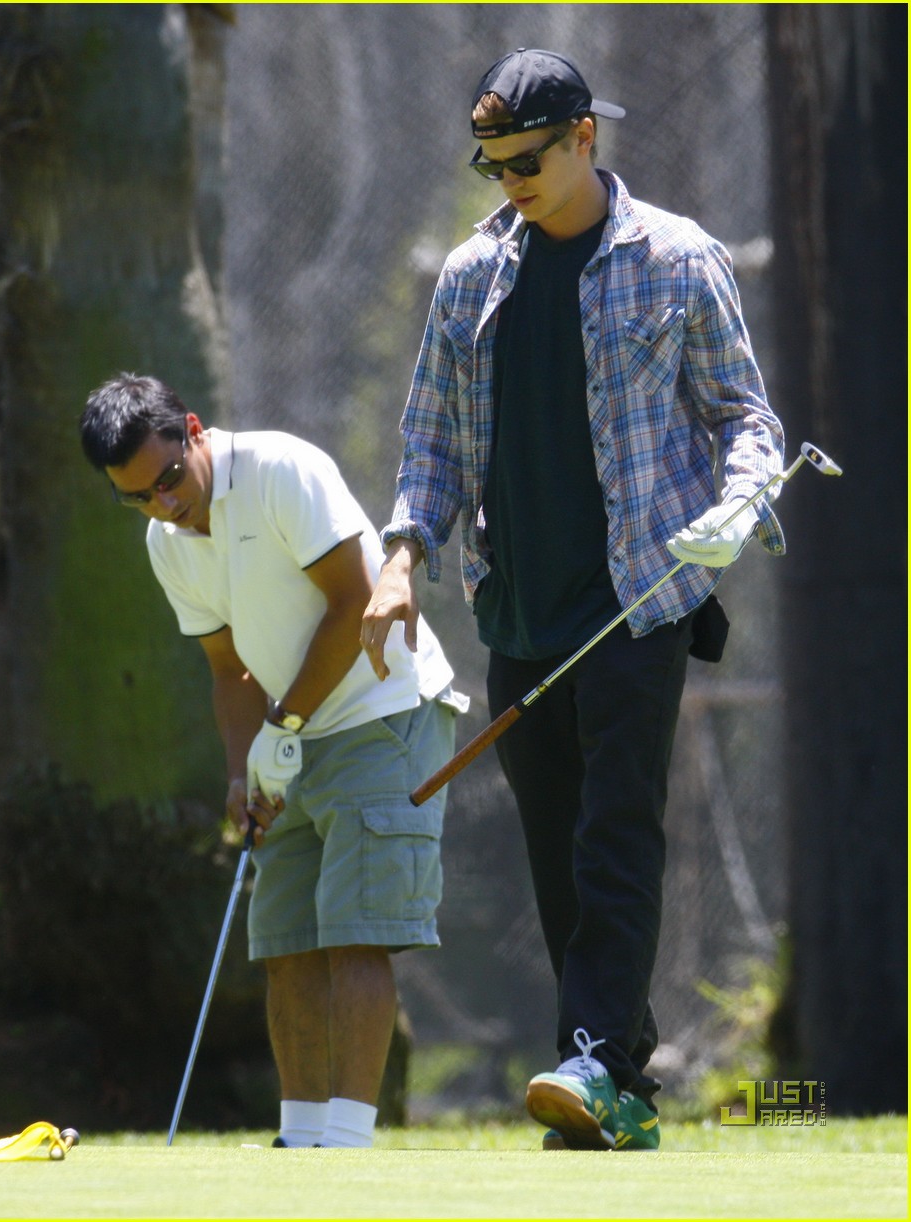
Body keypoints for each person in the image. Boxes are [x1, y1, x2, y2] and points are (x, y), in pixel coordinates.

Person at [360, 48, 786, 1151]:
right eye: (492, 163)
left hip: (640, 602)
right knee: (557, 848)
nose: (509, 180)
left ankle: (591, 1059)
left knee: (613, 832)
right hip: (520, 608)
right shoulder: (469, 279)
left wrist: (738, 507)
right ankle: (620, 1074)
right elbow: (432, 442)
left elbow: (747, 417)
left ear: (586, 138)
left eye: (529, 159)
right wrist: (403, 556)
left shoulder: (679, 259)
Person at [79, 374, 465, 1149]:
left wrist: (283, 726)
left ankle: (348, 1145)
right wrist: (242, 773)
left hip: (380, 714)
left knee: (355, 932)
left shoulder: (281, 470)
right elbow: (228, 670)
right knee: (286, 940)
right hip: (293, 742)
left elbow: (354, 602)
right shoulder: (166, 543)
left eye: (169, 480)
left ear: (192, 431)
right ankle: (302, 1137)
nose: (163, 505)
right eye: (137, 497)